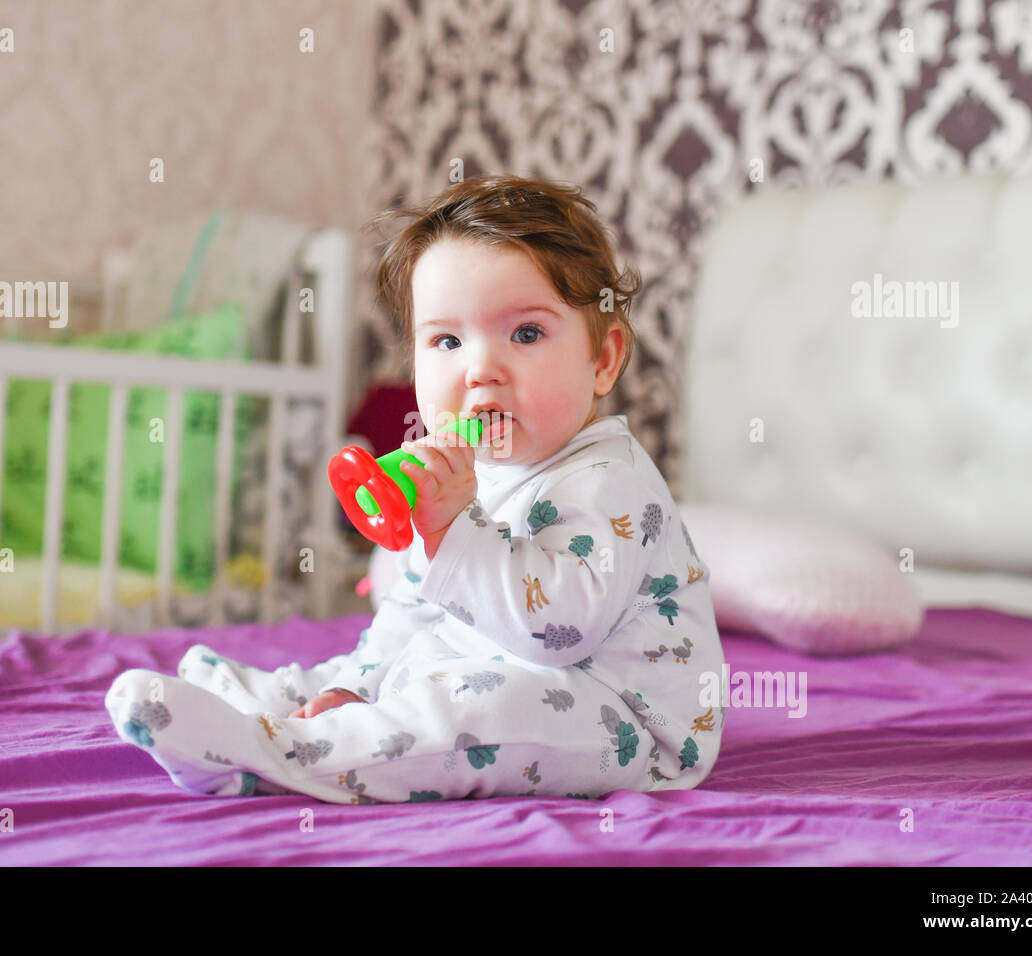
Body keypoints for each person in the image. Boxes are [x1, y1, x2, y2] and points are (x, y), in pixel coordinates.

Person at [105, 174, 725, 803]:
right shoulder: (467, 472)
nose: (480, 369)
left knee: (481, 714)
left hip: (623, 722)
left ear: (603, 358)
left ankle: (282, 754)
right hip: (498, 667)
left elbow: (559, 633)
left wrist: (453, 530)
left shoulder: (608, 481)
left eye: (527, 333)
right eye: (448, 341)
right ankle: (292, 703)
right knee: (390, 667)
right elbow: (411, 606)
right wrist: (359, 684)